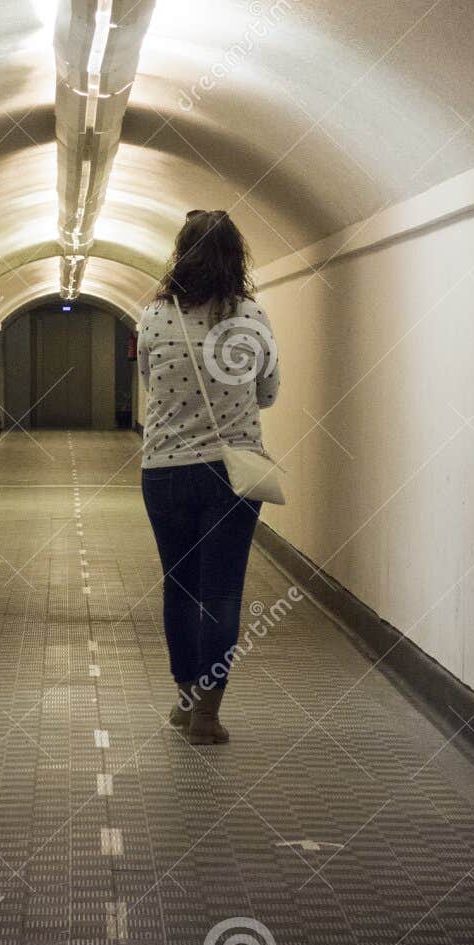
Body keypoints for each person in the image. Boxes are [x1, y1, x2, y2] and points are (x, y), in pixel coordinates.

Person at [138, 209, 280, 745]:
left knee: (178, 587)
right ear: (235, 256)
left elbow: (150, 383)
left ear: (181, 252)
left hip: (165, 470)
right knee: (220, 594)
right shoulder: (251, 316)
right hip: (233, 471)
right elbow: (268, 392)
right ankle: (207, 714)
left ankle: (183, 698)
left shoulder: (153, 315)